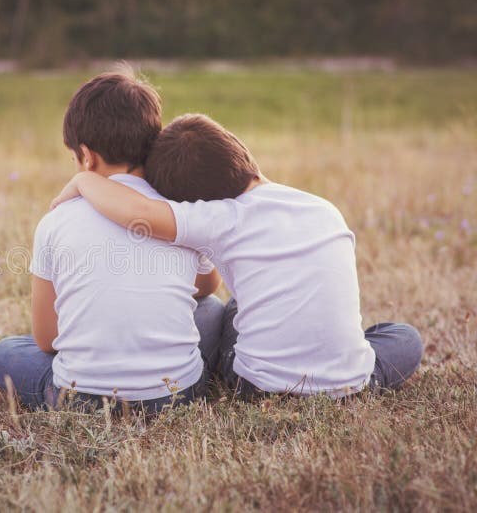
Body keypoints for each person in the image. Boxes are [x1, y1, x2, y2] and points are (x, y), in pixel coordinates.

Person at [51, 113, 423, 398]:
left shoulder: (219, 217)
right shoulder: (323, 208)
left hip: (257, 385)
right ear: (243, 153)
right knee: (404, 337)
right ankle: (337, 361)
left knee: (224, 309)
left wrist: (86, 180)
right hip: (351, 381)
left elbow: (142, 215)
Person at [0, 69, 226, 414]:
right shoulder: (177, 212)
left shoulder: (56, 221)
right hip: (176, 396)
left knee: (7, 352)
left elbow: (46, 339)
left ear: (86, 157)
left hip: (81, 399)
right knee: (211, 308)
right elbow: (207, 285)